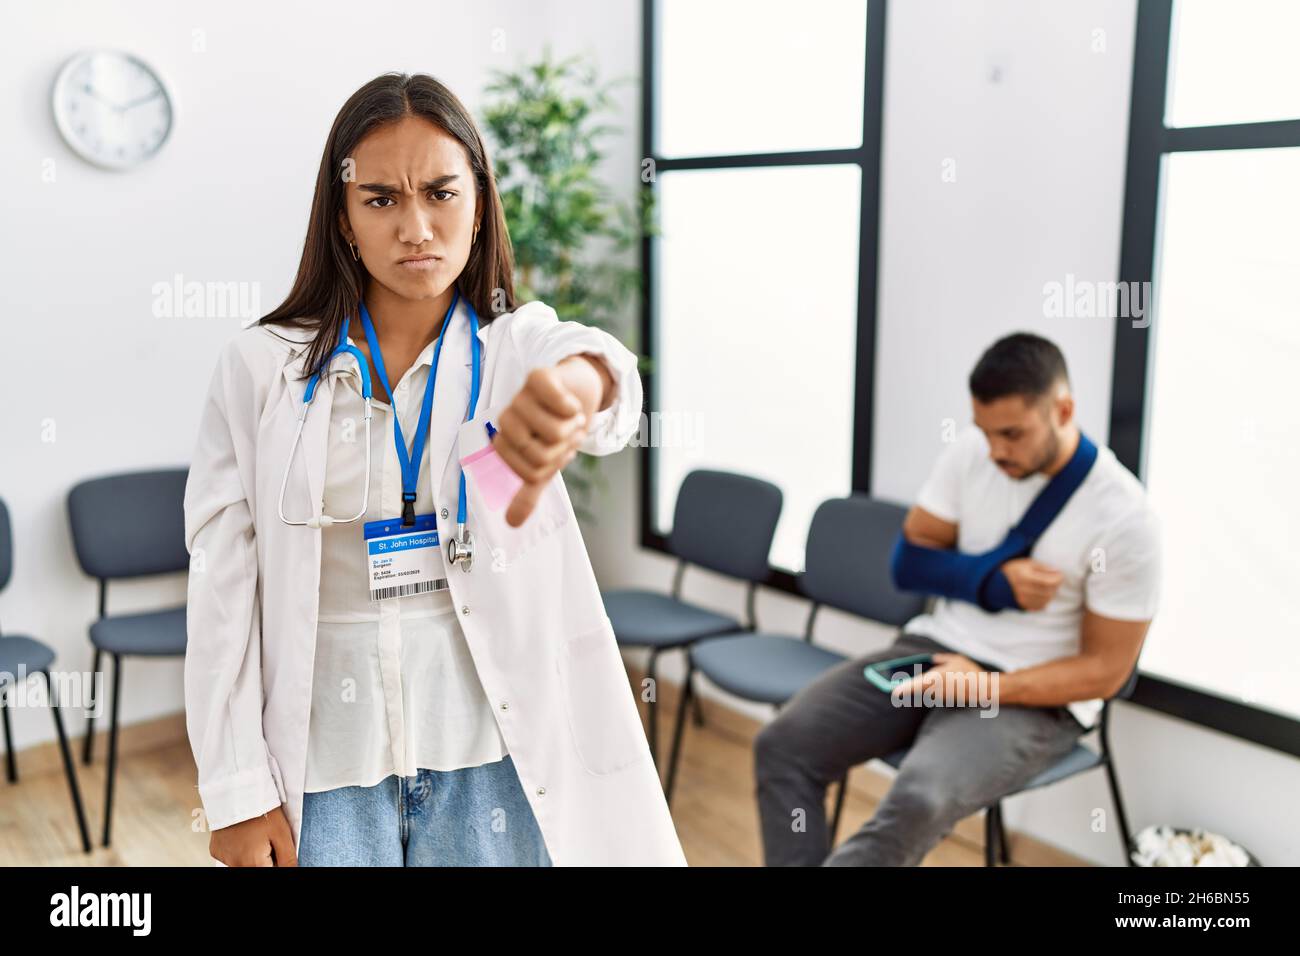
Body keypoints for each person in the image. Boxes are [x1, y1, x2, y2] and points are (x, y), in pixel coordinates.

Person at [183, 72, 686, 866]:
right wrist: (238, 790)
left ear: (480, 202)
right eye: (380, 199)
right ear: (343, 219)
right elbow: (220, 594)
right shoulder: (260, 369)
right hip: (326, 766)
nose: (416, 226)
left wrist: (577, 387)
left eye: (442, 194)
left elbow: (600, 375)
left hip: (489, 753)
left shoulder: (512, 350)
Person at [755, 332, 1160, 866]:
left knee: (919, 798)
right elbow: (910, 563)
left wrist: (987, 685)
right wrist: (991, 581)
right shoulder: (974, 452)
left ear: (1063, 410)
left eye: (1012, 434)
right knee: (783, 746)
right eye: (985, 431)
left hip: (1035, 693)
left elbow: (1105, 672)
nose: (996, 451)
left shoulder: (1125, 518)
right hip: (937, 648)